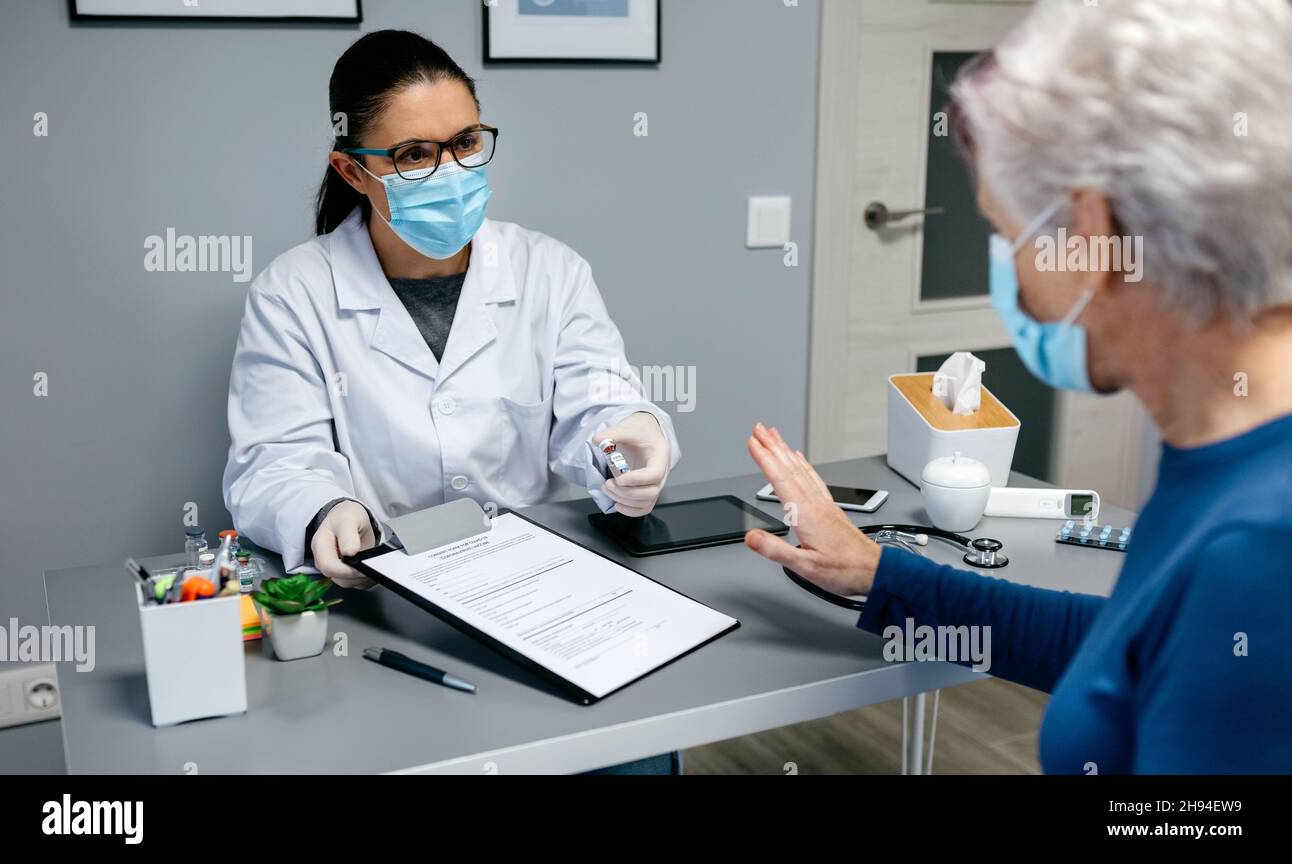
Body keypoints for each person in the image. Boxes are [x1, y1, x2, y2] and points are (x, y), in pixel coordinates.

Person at [744, 0, 1292, 773]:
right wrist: (880, 577)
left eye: (1006, 236)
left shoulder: (1259, 550)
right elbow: (1120, 648)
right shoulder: (1225, 457)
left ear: (1091, 235)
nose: (1010, 278)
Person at [222, 31, 678, 773]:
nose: (450, 170)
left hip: (545, 597)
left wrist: (628, 438)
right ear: (352, 169)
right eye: (413, 154)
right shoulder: (293, 292)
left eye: (466, 141)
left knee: (624, 754)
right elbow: (274, 460)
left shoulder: (549, 271)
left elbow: (598, 402)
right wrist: (325, 512)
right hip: (390, 613)